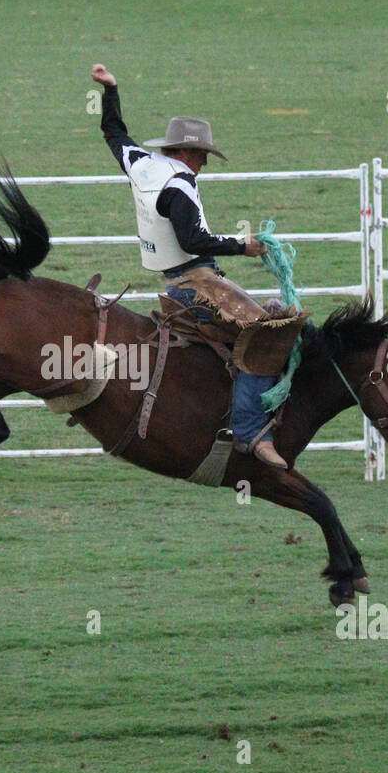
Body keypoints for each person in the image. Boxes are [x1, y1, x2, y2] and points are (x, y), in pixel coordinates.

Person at [90, 62, 298, 468]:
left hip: (176, 280)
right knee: (264, 334)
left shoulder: (142, 163)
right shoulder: (181, 185)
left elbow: (113, 133)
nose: (203, 164)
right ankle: (251, 431)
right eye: (201, 155)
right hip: (196, 282)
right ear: (186, 152)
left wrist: (111, 90)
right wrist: (246, 245)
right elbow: (194, 241)